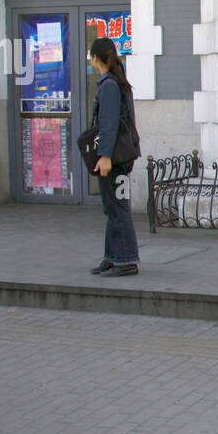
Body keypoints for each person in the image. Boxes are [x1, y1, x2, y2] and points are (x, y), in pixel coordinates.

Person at [89, 37, 140, 276]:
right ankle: (112, 256)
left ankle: (126, 259)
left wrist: (105, 156)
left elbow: (108, 125)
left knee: (118, 207)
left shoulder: (109, 85)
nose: (91, 61)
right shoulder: (118, 82)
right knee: (113, 207)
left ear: (96, 58)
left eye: (91, 57)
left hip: (115, 159)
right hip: (122, 156)